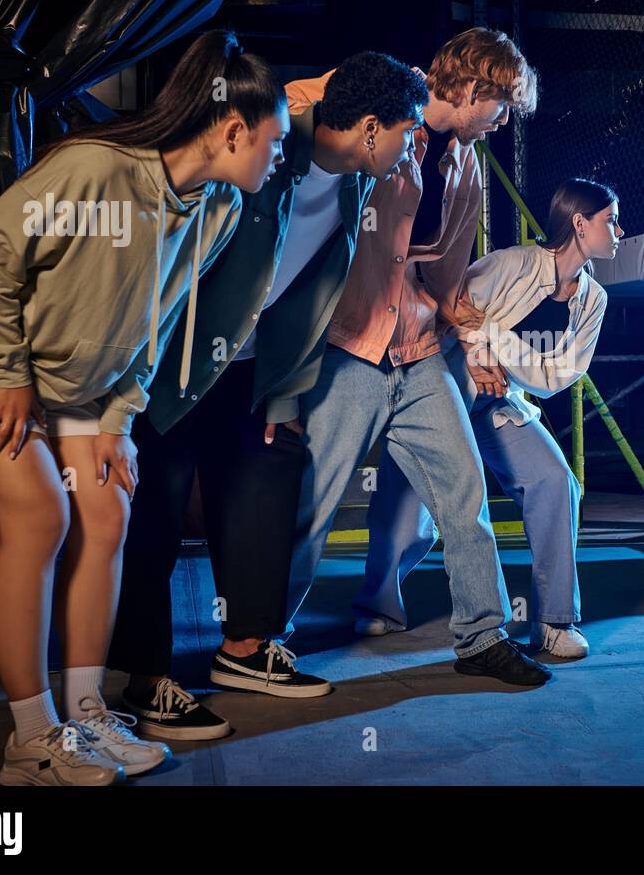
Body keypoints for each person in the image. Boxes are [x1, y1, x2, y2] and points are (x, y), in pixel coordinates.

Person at [0, 31, 285, 785]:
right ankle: (30, 740)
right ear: (235, 129)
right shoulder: (96, 170)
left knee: (110, 510)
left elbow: (157, 319)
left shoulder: (213, 206)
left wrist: (117, 418)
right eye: (273, 142)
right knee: (41, 519)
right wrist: (12, 377)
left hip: (78, 379)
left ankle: (86, 713)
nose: (277, 158)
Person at [105, 53, 427, 741]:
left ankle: (244, 649)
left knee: (265, 482)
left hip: (251, 363)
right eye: (405, 131)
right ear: (370, 127)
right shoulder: (267, 146)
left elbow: (311, 289)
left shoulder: (356, 182)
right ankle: (145, 676)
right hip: (174, 360)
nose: (409, 147)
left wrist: (284, 390)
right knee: (155, 509)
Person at [285, 28, 551, 686]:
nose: (502, 123)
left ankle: (480, 637)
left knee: (464, 494)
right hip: (346, 348)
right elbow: (294, 103)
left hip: (418, 353)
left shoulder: (465, 168)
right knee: (309, 506)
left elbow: (447, 283)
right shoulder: (387, 104)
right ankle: (262, 634)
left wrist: (477, 345)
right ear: (469, 89)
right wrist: (343, 84)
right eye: (502, 106)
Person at [355, 178, 621, 660]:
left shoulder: (594, 300)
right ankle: (380, 604)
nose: (619, 231)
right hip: (443, 392)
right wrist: (477, 353)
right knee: (402, 502)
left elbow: (556, 376)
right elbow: (452, 306)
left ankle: (555, 621)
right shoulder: (514, 263)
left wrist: (493, 343)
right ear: (580, 224)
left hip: (500, 406)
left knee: (558, 481)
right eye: (611, 220)